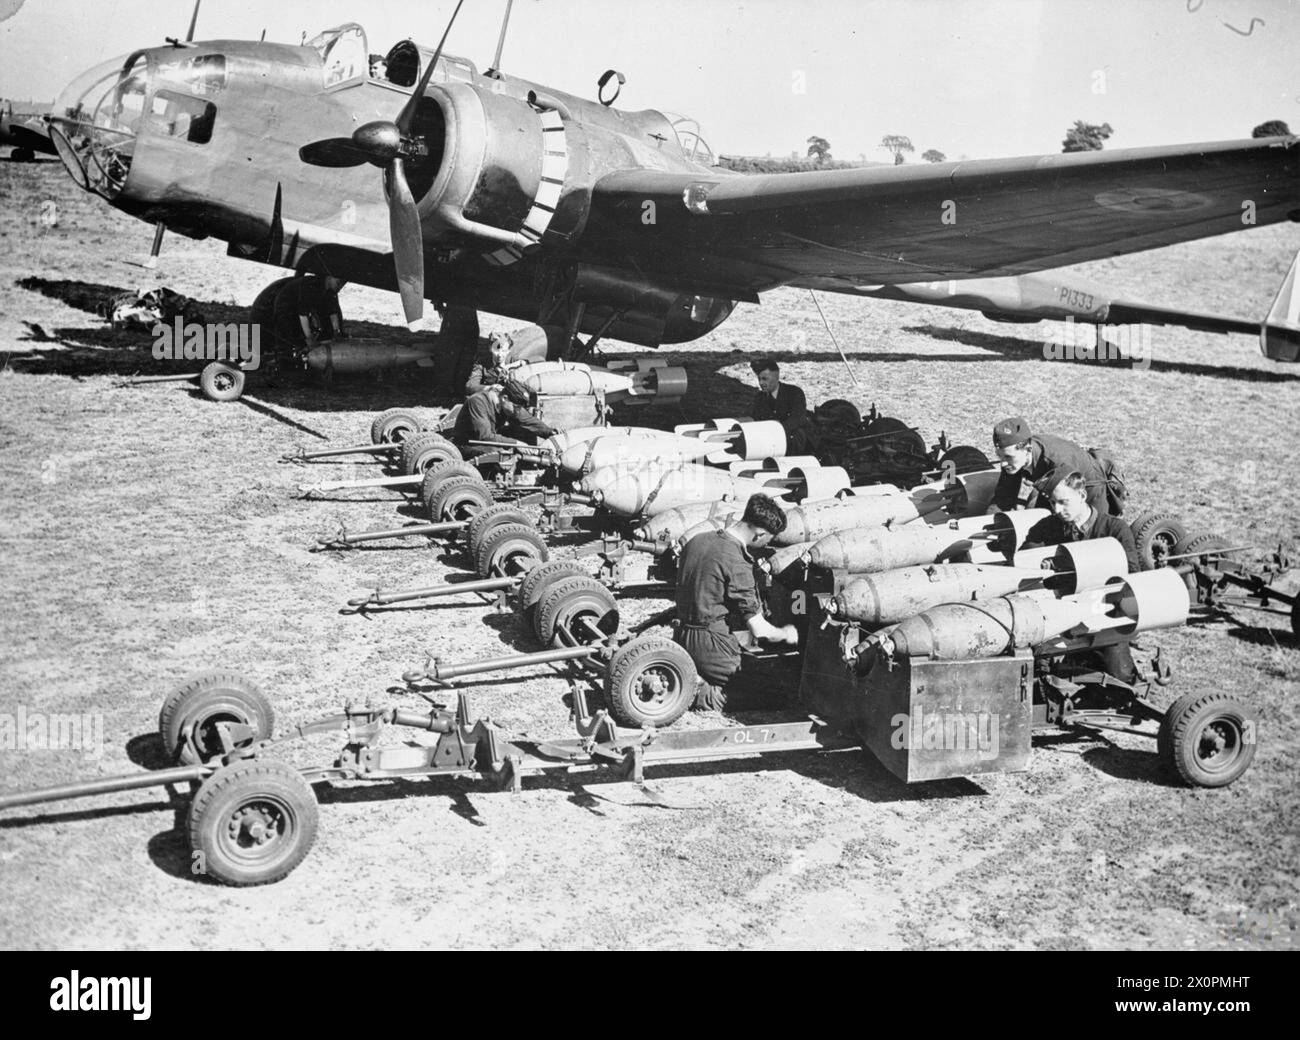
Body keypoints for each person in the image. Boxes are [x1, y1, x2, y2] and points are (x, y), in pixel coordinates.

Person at [673, 494, 799, 711]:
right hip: (710, 643)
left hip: (681, 635)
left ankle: (694, 674)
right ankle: (695, 693)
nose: (769, 543)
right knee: (774, 691)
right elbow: (759, 630)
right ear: (760, 534)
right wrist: (787, 634)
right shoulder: (737, 562)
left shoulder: (697, 540)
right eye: (769, 538)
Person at [1022, 471, 1139, 683]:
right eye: (1052, 503)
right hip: (1059, 615)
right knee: (1040, 672)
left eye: (1063, 502)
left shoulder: (1114, 530)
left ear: (1082, 495)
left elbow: (1132, 574)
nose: (1057, 510)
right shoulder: (1049, 527)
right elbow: (1027, 558)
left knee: (1119, 676)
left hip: (1104, 615)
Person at [990, 416, 1110, 515]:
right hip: (1052, 487)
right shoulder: (1012, 458)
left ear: (1028, 449)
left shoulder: (1057, 462)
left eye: (1008, 457)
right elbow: (1003, 498)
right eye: (999, 456)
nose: (1003, 463)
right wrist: (990, 522)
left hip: (1090, 490)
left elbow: (1061, 504)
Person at [451, 378, 555, 459]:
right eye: (517, 407)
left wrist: (550, 432)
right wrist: (516, 444)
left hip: (485, 440)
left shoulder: (508, 406)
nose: (518, 412)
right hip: (466, 445)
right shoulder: (478, 402)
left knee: (522, 433)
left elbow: (528, 421)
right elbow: (485, 437)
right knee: (500, 453)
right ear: (504, 398)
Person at [750, 359, 817, 454]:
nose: (761, 383)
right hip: (772, 443)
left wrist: (775, 432)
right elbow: (756, 420)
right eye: (759, 379)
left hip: (799, 444)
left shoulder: (794, 393)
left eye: (765, 379)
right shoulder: (759, 398)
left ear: (776, 377)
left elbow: (798, 419)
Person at [464, 331, 514, 397]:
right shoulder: (482, 363)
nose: (500, 355)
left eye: (504, 351)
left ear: (508, 351)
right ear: (490, 348)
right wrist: (490, 388)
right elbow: (470, 386)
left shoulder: (513, 361)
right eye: (496, 350)